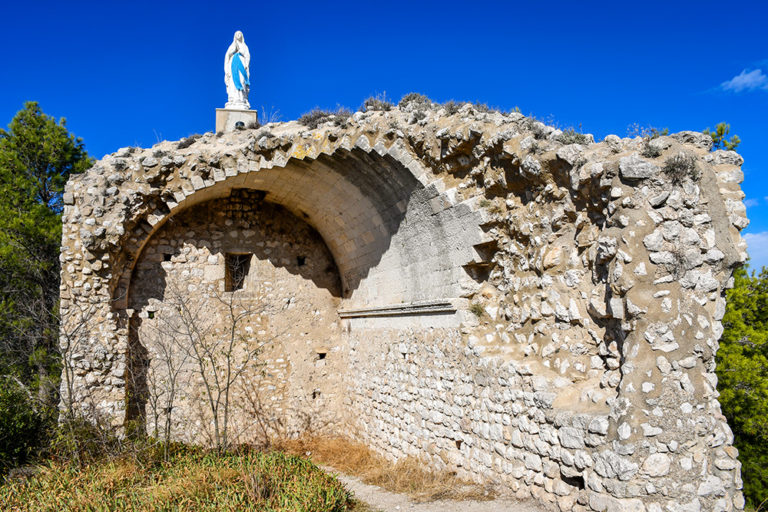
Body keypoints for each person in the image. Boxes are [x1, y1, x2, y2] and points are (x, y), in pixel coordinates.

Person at [224, 31, 251, 109]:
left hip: (241, 65)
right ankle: (233, 98)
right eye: (237, 34)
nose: (238, 35)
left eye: (239, 34)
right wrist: (233, 51)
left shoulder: (244, 46)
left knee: (242, 81)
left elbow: (247, 56)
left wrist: (241, 52)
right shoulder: (232, 46)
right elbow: (227, 55)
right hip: (233, 66)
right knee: (233, 82)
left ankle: (242, 98)